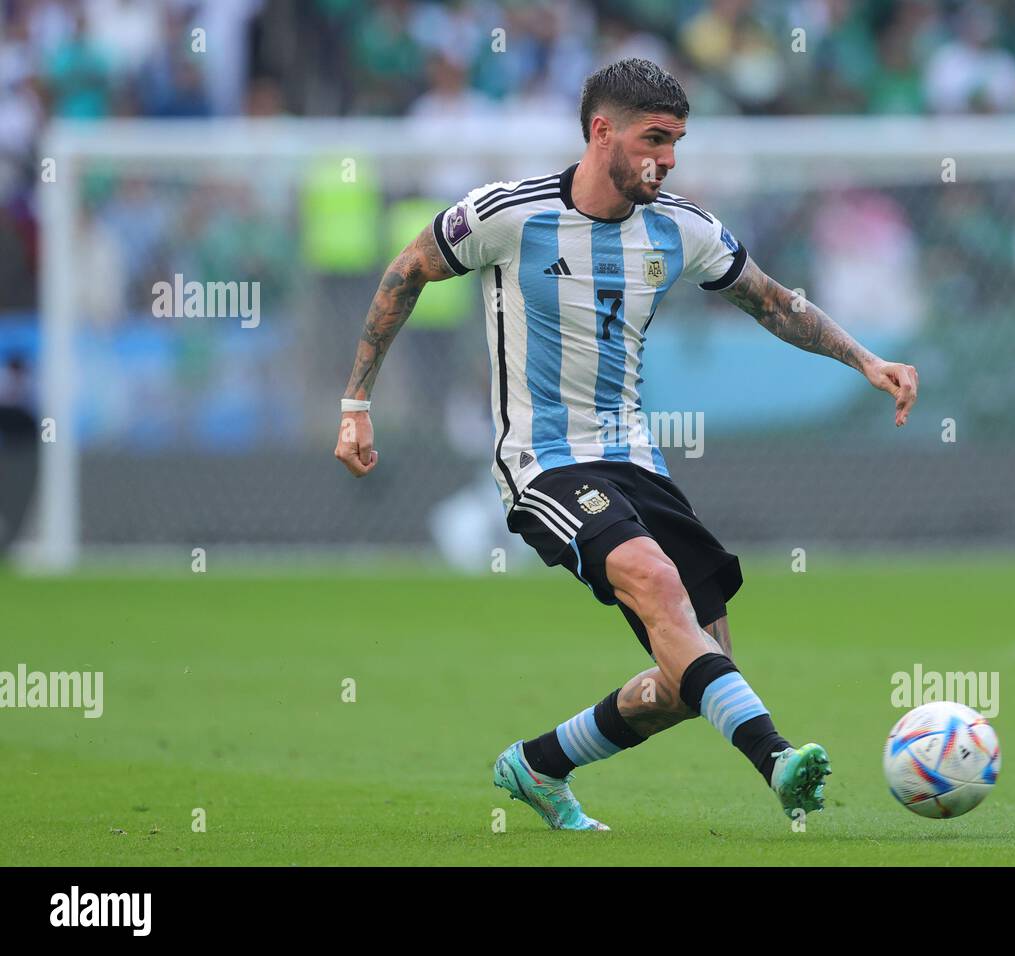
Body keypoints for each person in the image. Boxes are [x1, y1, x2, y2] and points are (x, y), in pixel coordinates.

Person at [334, 58, 918, 829]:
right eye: (654, 139)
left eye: (676, 142)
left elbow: (775, 303)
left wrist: (865, 360)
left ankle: (540, 765)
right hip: (543, 461)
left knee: (694, 675)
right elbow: (407, 271)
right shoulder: (508, 214)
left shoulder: (682, 228)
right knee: (654, 579)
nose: (667, 159)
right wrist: (356, 403)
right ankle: (778, 760)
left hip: (636, 460)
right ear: (602, 132)